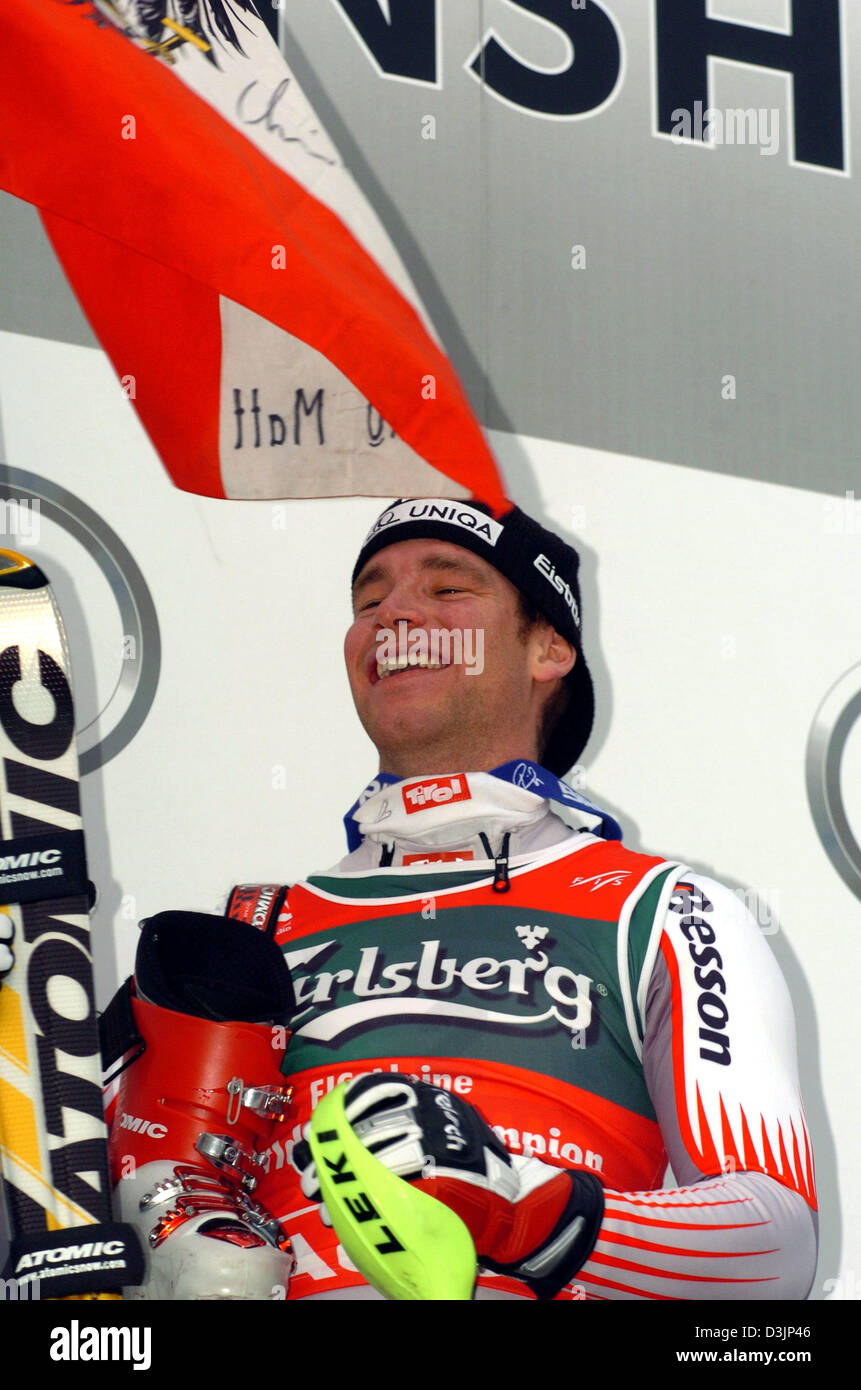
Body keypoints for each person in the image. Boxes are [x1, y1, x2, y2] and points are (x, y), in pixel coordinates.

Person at [107, 497, 817, 1301]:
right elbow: (104, 1227)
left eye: (447, 591)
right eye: (369, 601)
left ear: (549, 647)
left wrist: (520, 1213)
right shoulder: (243, 931)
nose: (396, 614)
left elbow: (773, 1245)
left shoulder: (660, 908)